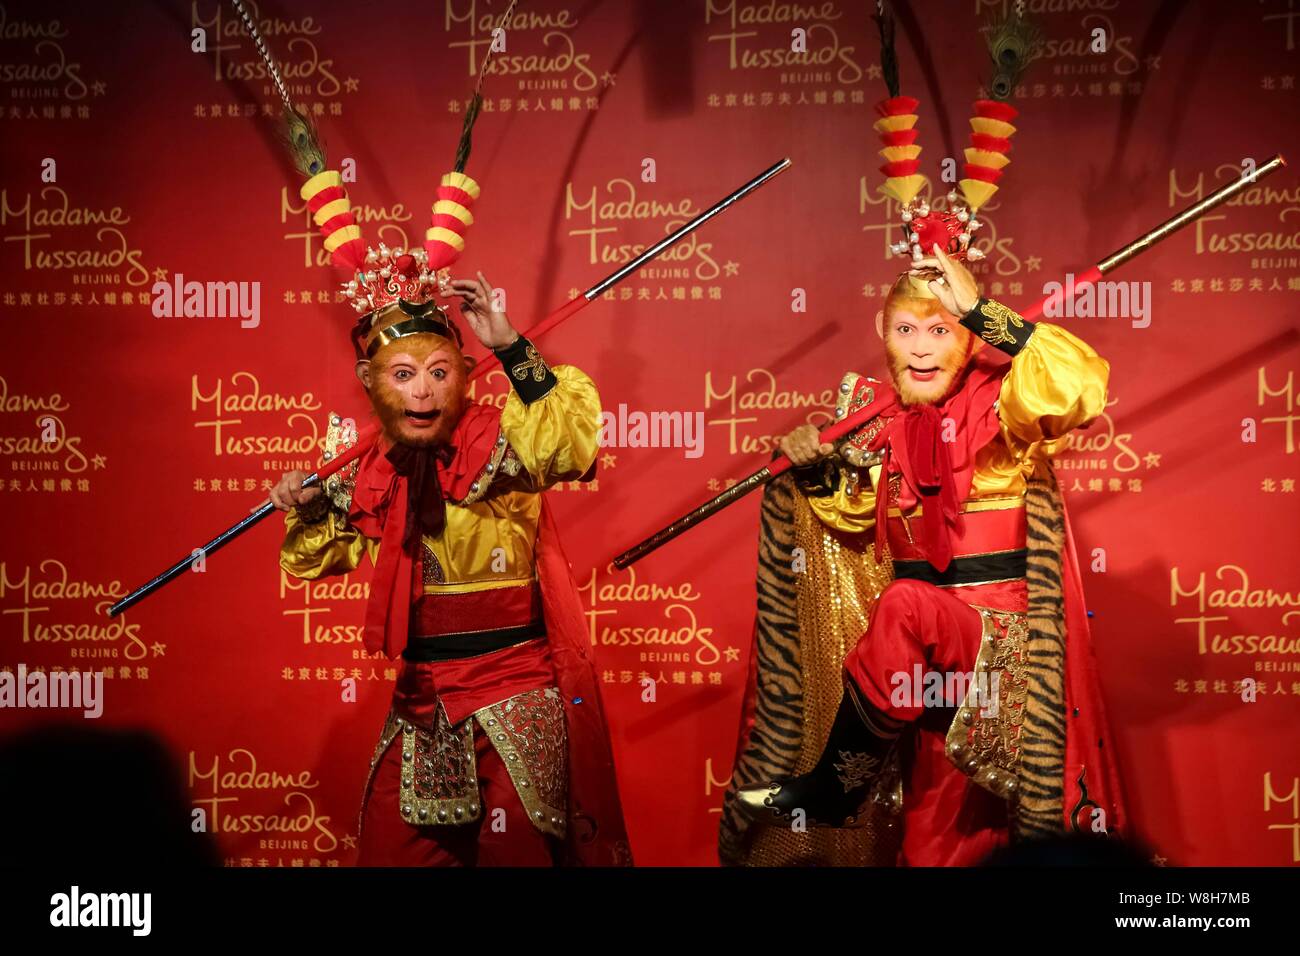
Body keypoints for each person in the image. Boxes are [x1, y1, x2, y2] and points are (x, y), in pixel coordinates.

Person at [729, 243, 1126, 865]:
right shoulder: (874, 422)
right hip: (922, 670)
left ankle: (836, 787)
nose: (920, 348)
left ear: (967, 335)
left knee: (908, 602)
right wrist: (810, 468)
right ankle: (849, 782)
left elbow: (1078, 388)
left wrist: (981, 308)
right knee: (935, 841)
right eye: (906, 330)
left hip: (1003, 644)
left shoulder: (1005, 403)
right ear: (880, 332)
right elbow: (851, 519)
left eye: (940, 330)